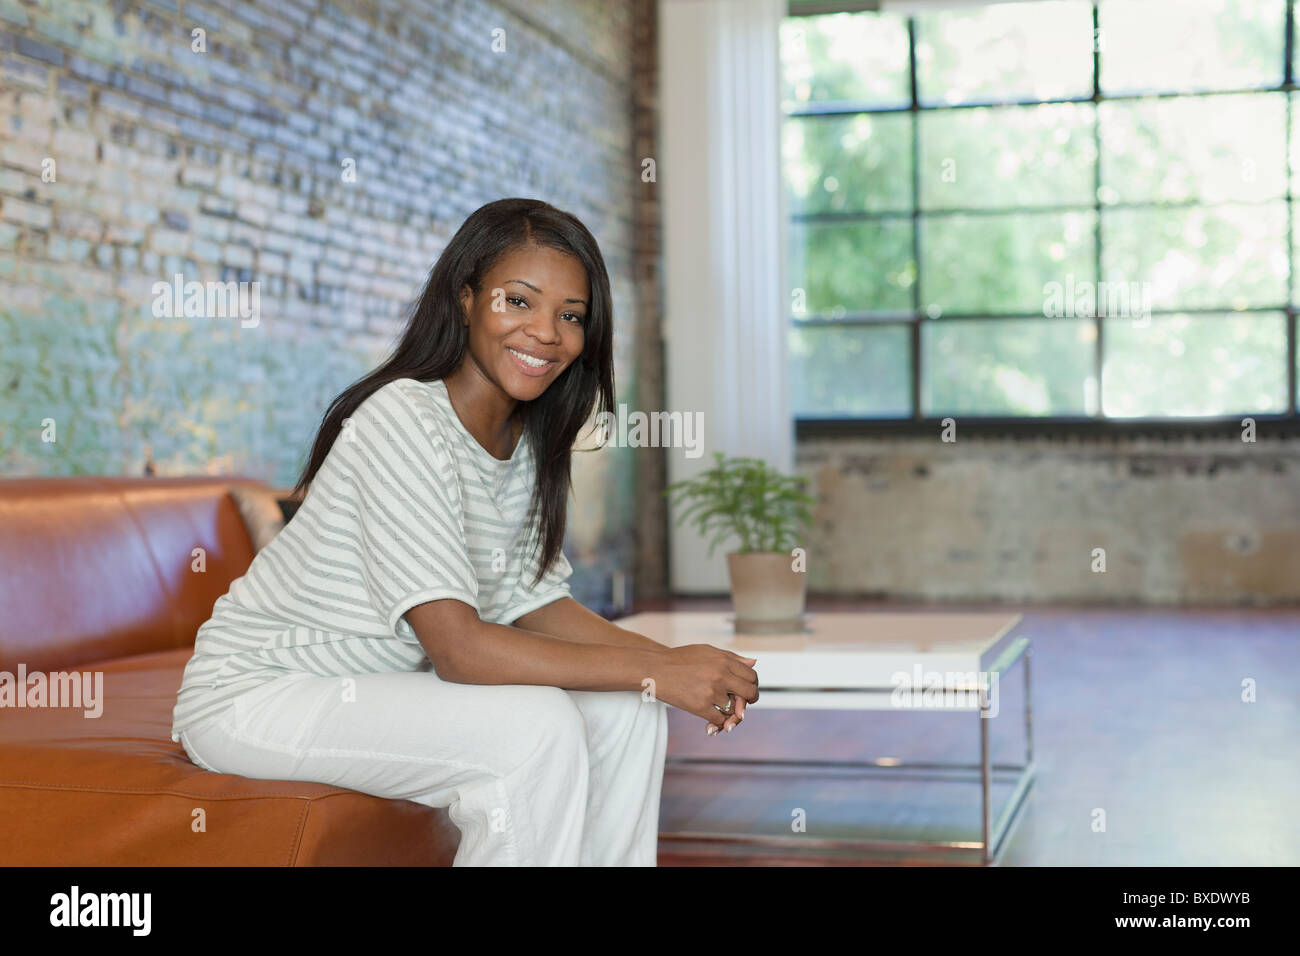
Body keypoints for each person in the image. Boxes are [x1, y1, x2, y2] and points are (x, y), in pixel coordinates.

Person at [169, 197, 761, 866]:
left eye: (571, 315)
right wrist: (661, 668)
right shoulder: (400, 420)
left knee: (629, 711)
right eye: (519, 301)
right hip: (258, 694)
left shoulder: (527, 439)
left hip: (370, 686)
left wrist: (676, 667)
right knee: (534, 729)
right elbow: (459, 650)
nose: (546, 333)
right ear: (466, 299)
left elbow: (535, 605)